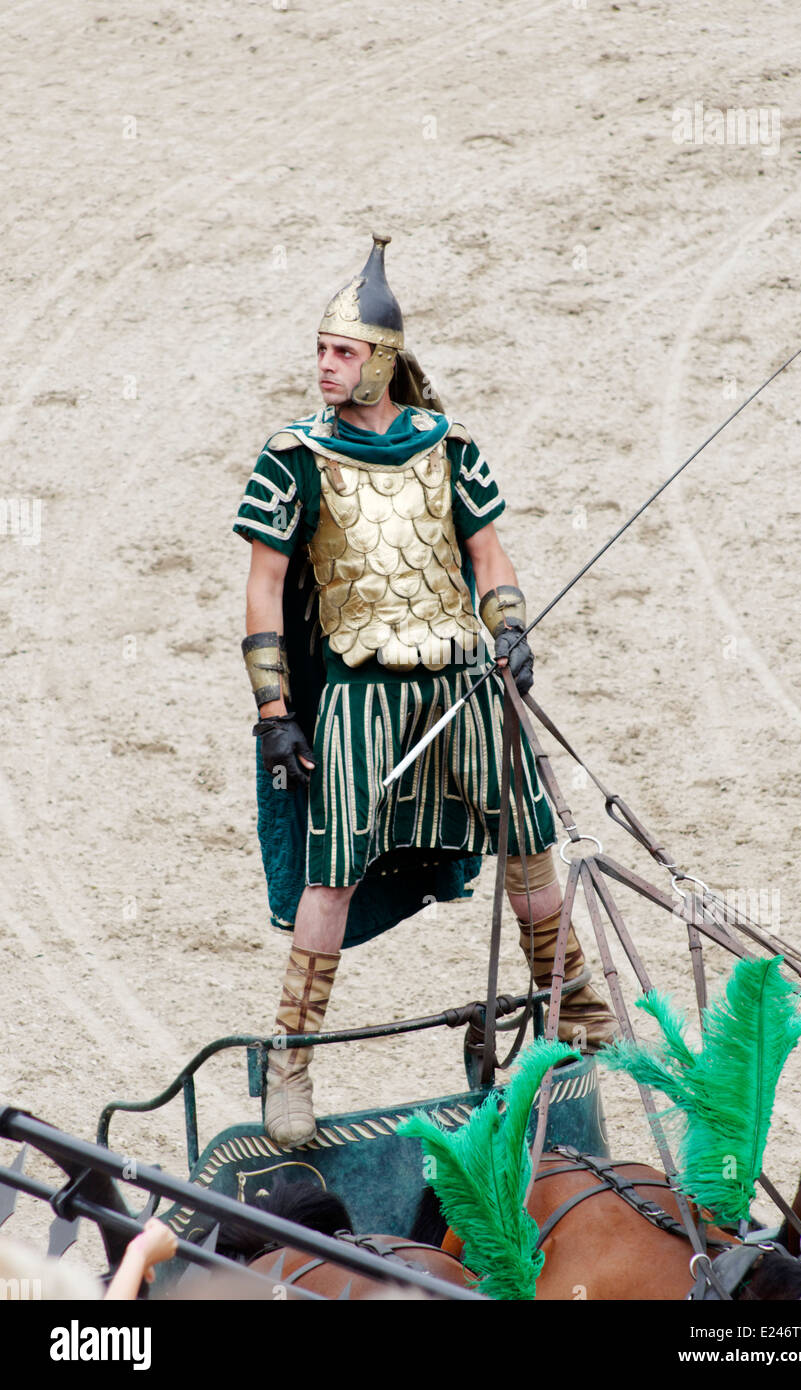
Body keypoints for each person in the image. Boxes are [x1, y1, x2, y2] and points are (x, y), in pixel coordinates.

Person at [234, 235, 616, 1149]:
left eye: (343, 352)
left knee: (527, 842)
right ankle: (290, 1065)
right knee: (333, 872)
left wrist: (510, 624)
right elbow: (261, 588)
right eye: (321, 351)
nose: (325, 366)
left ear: (385, 362)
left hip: (463, 680)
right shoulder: (293, 457)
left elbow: (488, 558)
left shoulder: (450, 447)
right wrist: (276, 714)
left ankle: (578, 1008)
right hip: (361, 696)